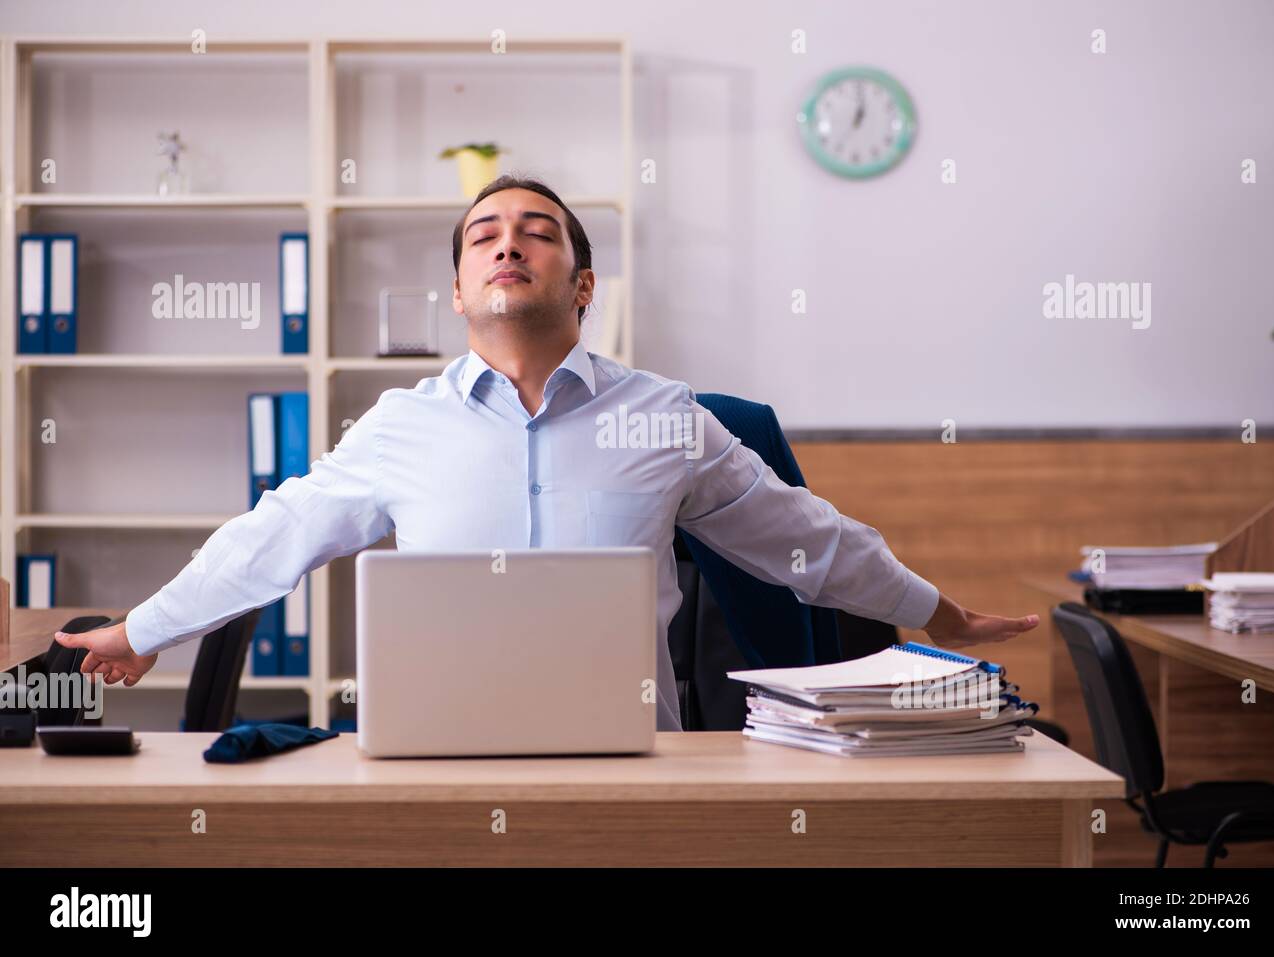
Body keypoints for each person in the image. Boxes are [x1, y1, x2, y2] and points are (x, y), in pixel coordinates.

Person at [55, 175, 1037, 732]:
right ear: (456, 289)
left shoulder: (668, 417)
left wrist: (936, 611)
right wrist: (144, 628)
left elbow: (804, 540)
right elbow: (274, 537)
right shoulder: (401, 425)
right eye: (483, 234)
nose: (507, 244)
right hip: (434, 751)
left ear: (582, 285)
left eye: (536, 233)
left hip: (632, 757)